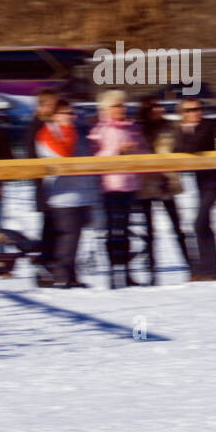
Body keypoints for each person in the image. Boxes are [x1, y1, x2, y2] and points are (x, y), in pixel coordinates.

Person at [88, 90, 148, 288]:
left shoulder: (131, 127)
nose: (122, 109)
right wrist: (116, 151)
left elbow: (143, 150)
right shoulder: (101, 129)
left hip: (129, 185)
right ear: (106, 109)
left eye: (123, 105)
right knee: (115, 231)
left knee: (125, 230)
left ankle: (127, 273)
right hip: (111, 187)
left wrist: (135, 151)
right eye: (117, 106)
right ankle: (115, 274)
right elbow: (94, 156)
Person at [36, 99, 98, 288]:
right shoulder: (47, 133)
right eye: (66, 113)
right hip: (62, 195)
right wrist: (69, 130)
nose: (71, 117)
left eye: (72, 113)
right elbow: (63, 155)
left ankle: (71, 274)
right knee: (67, 237)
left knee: (75, 237)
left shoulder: (76, 132)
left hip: (81, 193)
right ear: (54, 115)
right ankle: (62, 275)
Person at [136, 95, 192, 282]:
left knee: (178, 226)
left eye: (158, 107)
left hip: (167, 182)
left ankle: (191, 264)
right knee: (149, 229)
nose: (158, 110)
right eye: (153, 107)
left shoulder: (170, 127)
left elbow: (181, 146)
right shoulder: (138, 128)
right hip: (146, 185)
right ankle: (151, 268)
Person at [172, 97, 216, 281]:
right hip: (200, 183)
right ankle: (210, 271)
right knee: (204, 224)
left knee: (200, 223)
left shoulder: (208, 125)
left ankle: (208, 270)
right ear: (182, 114)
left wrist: (186, 131)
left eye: (197, 109)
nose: (194, 113)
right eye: (189, 110)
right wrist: (184, 132)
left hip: (213, 182)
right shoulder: (182, 129)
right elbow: (176, 149)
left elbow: (194, 146)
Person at [24, 89, 62, 283]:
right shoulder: (36, 126)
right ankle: (44, 266)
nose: (54, 109)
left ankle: (48, 265)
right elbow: (31, 154)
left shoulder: (49, 123)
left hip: (53, 184)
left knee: (53, 225)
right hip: (44, 184)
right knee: (49, 226)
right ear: (43, 105)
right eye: (51, 105)